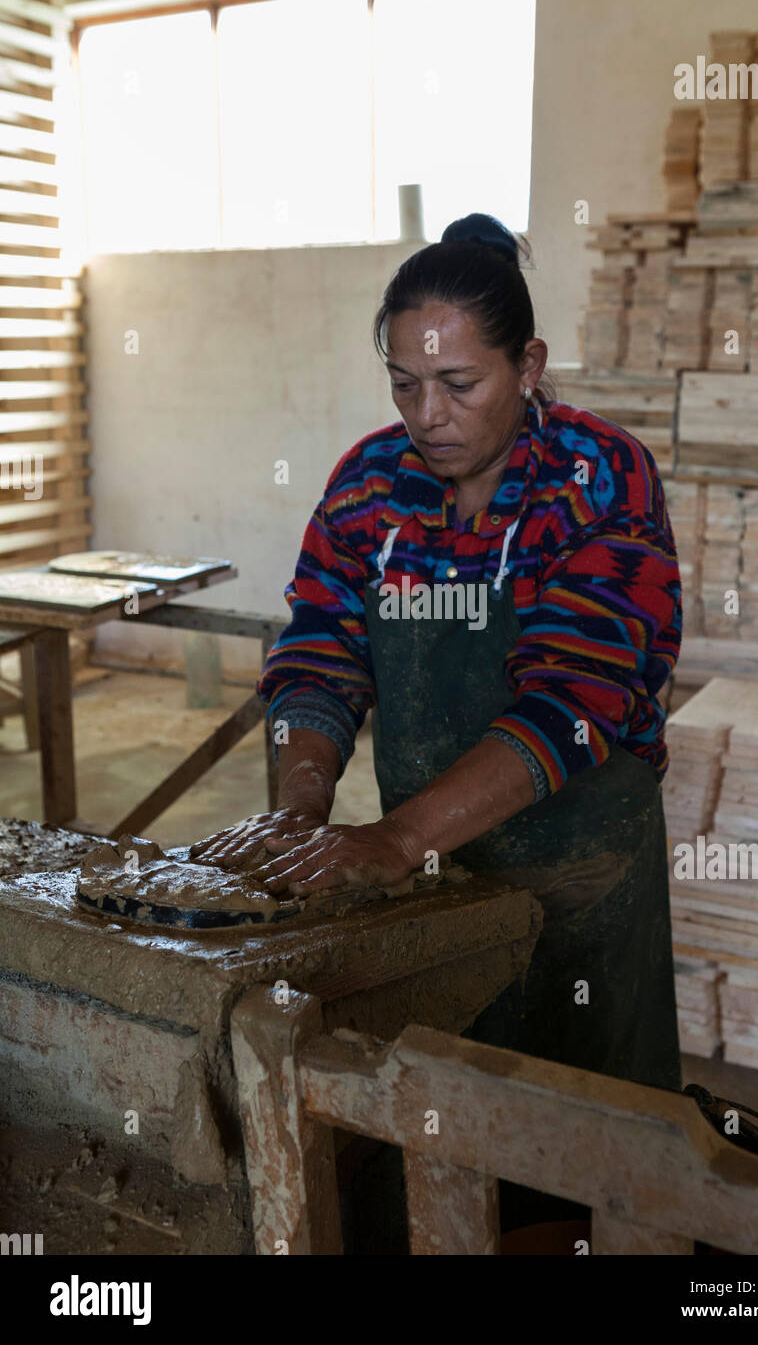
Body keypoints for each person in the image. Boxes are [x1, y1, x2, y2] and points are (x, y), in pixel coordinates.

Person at [192, 212, 683, 1238]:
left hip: (582, 876)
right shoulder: (371, 488)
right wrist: (302, 801)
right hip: (436, 886)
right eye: (403, 385)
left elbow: (573, 699)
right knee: (444, 1142)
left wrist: (393, 834)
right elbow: (319, 653)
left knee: (589, 1159)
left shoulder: (597, 481)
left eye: (459, 384)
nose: (429, 414)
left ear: (528, 363)